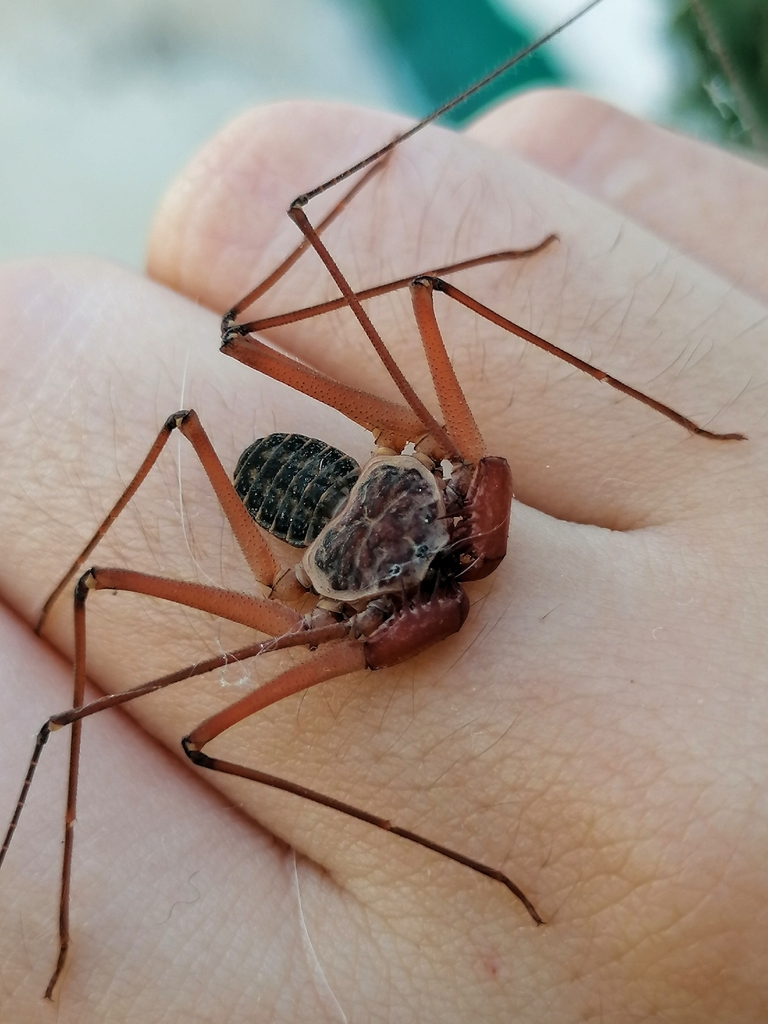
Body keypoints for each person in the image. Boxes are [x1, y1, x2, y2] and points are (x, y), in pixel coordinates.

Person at [1, 89, 766, 1021]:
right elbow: (196, 713)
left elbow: (454, 385)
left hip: (366, 478)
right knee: (114, 642)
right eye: (417, 569)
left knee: (411, 295)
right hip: (294, 535)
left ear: (424, 490)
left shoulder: (428, 469)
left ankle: (685, 415)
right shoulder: (306, 609)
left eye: (433, 548)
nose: (434, 567)